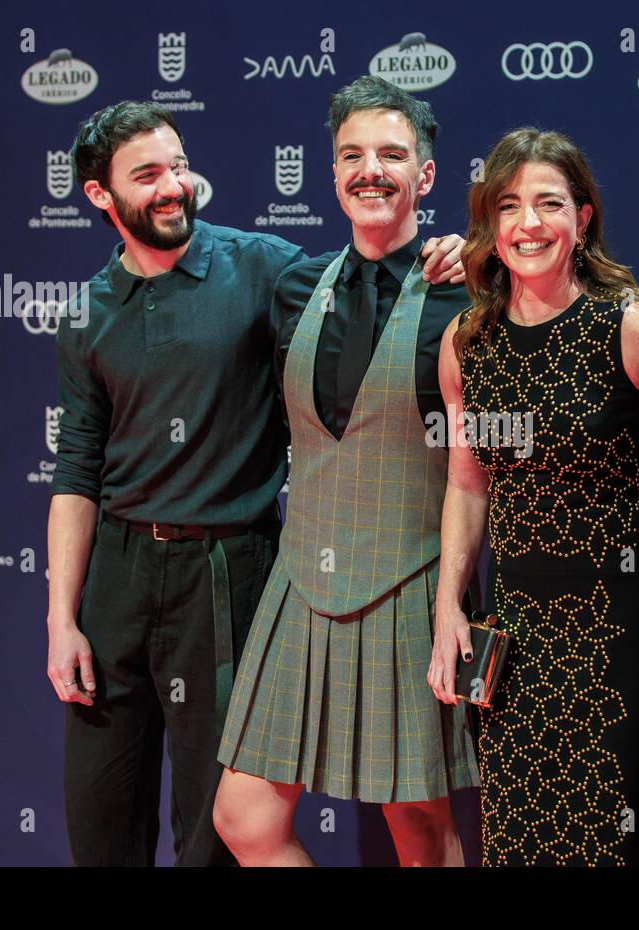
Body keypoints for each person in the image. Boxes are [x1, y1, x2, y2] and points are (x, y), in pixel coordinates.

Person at [47, 100, 463, 866]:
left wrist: (464, 258)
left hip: (242, 573)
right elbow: (75, 468)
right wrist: (60, 616)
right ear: (101, 196)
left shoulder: (267, 269)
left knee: (233, 827)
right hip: (137, 576)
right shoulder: (89, 315)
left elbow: (386, 277)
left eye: (179, 166)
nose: (174, 186)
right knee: (133, 822)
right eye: (149, 175)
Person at [213, 76, 478, 867]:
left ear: (425, 177)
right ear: (331, 174)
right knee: (244, 819)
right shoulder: (294, 285)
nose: (371, 171)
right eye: (352, 156)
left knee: (420, 833)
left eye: (392, 155)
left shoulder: (462, 293)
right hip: (303, 579)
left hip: (410, 583)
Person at [428, 128, 639, 866]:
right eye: (508, 206)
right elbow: (467, 482)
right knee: (520, 827)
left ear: (584, 218)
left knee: (620, 825)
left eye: (549, 203)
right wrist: (450, 605)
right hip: (516, 626)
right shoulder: (466, 341)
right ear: (489, 224)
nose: (529, 223)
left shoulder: (631, 326)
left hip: (622, 623)